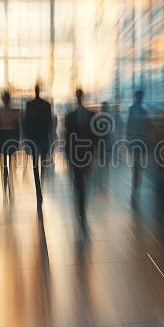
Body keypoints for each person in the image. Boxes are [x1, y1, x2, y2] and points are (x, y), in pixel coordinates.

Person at [65, 89, 96, 228]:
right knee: (80, 178)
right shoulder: (71, 116)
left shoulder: (74, 116)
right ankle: (81, 204)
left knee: (82, 177)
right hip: (76, 152)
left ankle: (80, 200)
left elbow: (95, 135)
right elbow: (67, 136)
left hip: (86, 151)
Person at [23, 84, 54, 206]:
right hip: (43, 137)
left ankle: (38, 188)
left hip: (33, 138)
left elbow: (26, 123)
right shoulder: (46, 105)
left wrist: (26, 138)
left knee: (35, 165)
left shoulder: (29, 105)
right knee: (42, 163)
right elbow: (49, 123)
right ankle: (40, 183)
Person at [126, 89, 152, 208]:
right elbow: (147, 126)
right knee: (138, 167)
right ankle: (136, 188)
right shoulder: (142, 110)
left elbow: (129, 126)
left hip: (137, 141)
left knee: (137, 167)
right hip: (139, 142)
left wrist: (128, 141)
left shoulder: (134, 109)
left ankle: (135, 188)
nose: (141, 98)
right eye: (140, 96)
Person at [0, 91, 21, 197]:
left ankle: (6, 177)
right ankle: (8, 177)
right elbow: (17, 128)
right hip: (10, 137)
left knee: (5, 161)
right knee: (8, 160)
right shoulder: (15, 112)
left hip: (2, 137)